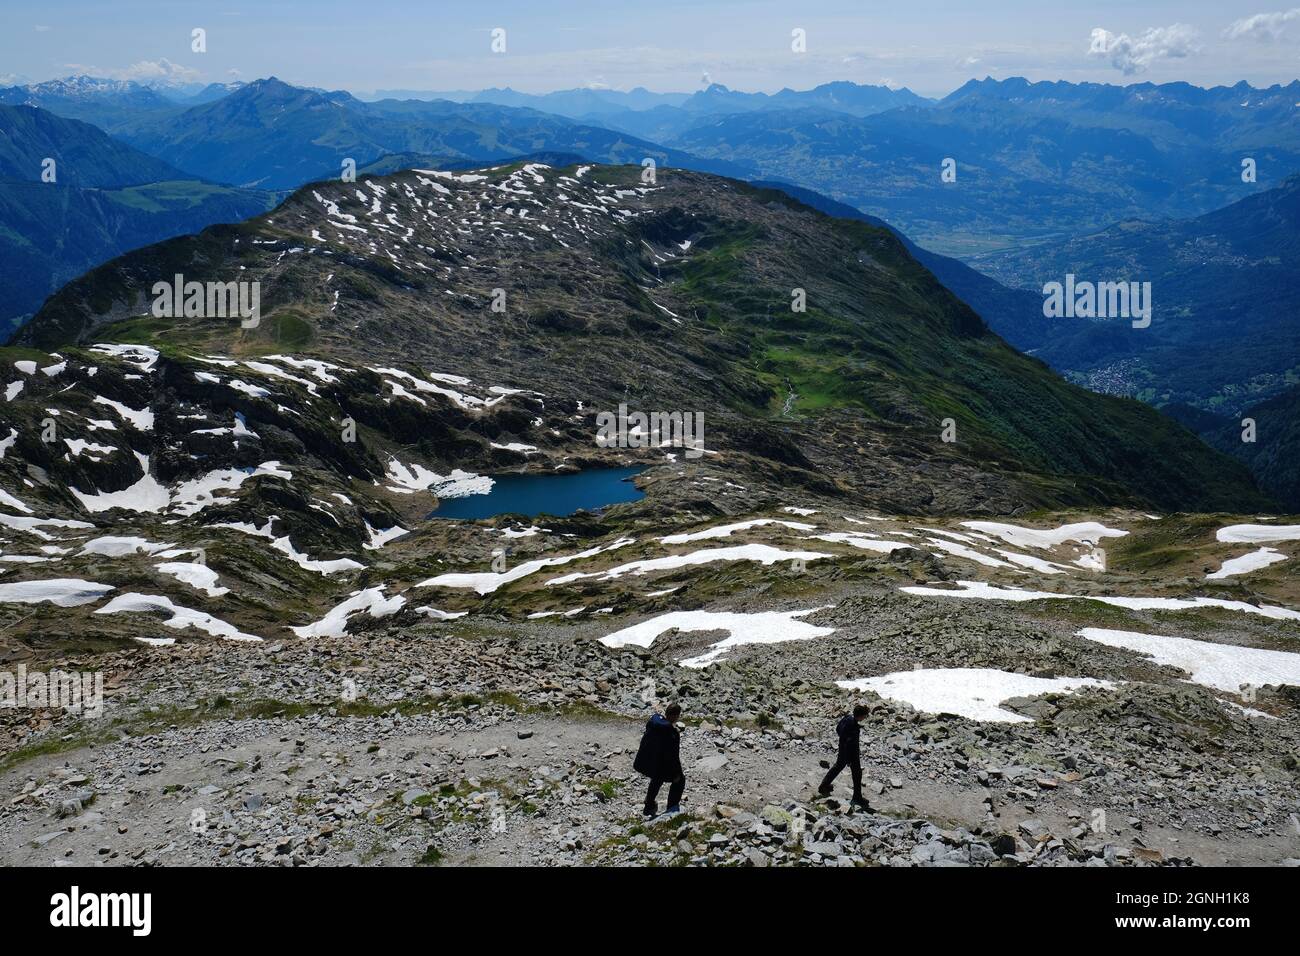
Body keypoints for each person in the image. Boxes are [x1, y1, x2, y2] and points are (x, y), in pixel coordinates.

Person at [634, 702, 684, 818]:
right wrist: (677, 773)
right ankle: (671, 809)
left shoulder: (654, 721)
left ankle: (649, 804)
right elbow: (674, 756)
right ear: (675, 716)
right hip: (664, 764)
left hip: (650, 761)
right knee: (680, 781)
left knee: (657, 778)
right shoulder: (672, 733)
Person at [818, 704, 870, 809]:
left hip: (842, 748)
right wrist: (850, 759)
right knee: (857, 774)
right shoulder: (854, 726)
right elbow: (850, 743)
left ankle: (824, 786)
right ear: (860, 716)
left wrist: (842, 739)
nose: (865, 718)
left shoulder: (847, 718)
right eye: (864, 716)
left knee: (838, 767)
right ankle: (857, 797)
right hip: (851, 753)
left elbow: (838, 729)